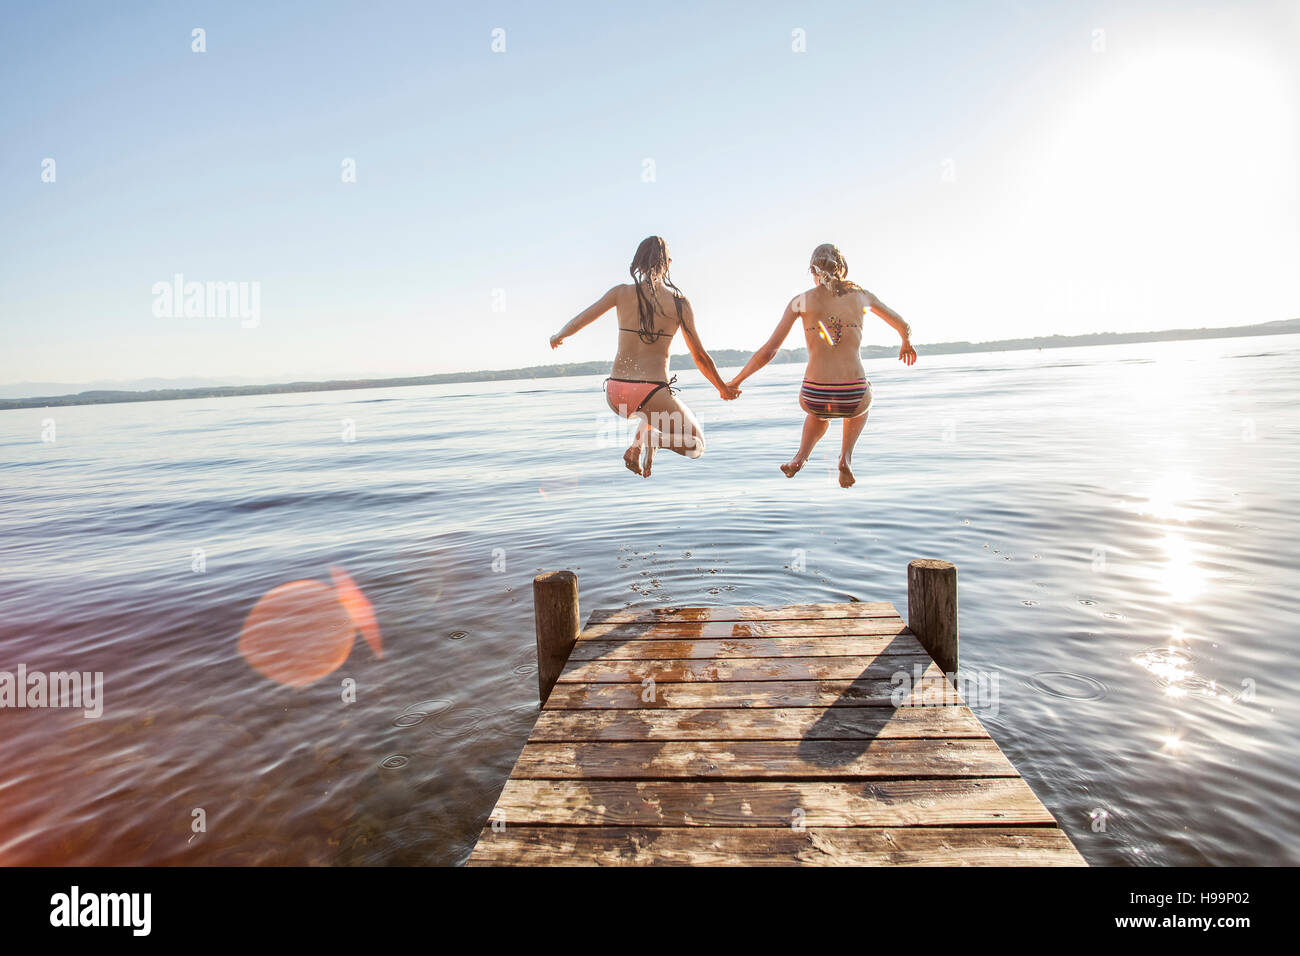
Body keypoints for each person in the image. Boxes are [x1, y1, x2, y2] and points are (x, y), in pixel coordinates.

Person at [727, 243, 916, 487]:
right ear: (843, 269)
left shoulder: (800, 301)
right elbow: (903, 325)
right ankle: (846, 457)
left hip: (814, 396)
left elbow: (770, 350)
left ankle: (800, 456)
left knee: (818, 415)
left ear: (813, 271)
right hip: (854, 394)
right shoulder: (862, 296)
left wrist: (736, 381)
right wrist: (906, 342)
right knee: (862, 405)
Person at [550, 236, 740, 477]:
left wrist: (559, 335)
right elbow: (700, 356)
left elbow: (582, 318)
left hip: (615, 393)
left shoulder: (620, 293)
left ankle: (636, 447)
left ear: (638, 263)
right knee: (697, 444)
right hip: (651, 391)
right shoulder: (679, 303)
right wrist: (722, 388)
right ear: (668, 263)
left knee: (651, 410)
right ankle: (655, 440)